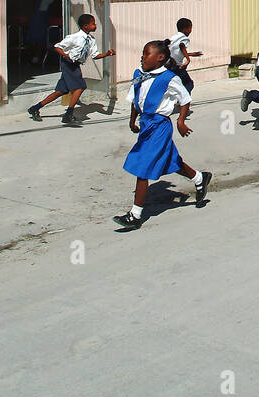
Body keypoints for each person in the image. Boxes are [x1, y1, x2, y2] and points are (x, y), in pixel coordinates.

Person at [112, 39, 213, 232]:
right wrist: (132, 120)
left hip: (160, 127)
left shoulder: (169, 78)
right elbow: (135, 99)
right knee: (170, 161)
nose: (142, 57)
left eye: (146, 54)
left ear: (159, 58)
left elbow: (185, 99)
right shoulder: (139, 74)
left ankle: (135, 215)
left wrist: (181, 122)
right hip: (146, 125)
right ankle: (200, 178)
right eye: (142, 53)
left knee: (143, 167)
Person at [27, 13, 115, 125]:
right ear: (85, 26)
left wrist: (107, 54)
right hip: (68, 63)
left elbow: (95, 55)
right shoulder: (74, 37)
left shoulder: (91, 40)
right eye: (93, 24)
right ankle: (68, 114)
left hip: (75, 64)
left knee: (61, 91)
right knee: (81, 86)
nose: (95, 26)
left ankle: (35, 108)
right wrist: (67, 55)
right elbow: (57, 47)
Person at [26, 0, 57, 65]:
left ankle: (32, 57)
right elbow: (54, 4)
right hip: (42, 18)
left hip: (33, 17)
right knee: (41, 38)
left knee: (33, 38)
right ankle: (38, 57)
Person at [168, 17, 199, 94]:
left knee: (174, 84)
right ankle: (183, 102)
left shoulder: (173, 38)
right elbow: (181, 46)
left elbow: (176, 51)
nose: (191, 31)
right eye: (190, 28)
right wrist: (188, 60)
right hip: (178, 67)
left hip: (169, 66)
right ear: (185, 29)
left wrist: (191, 54)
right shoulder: (185, 39)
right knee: (189, 84)